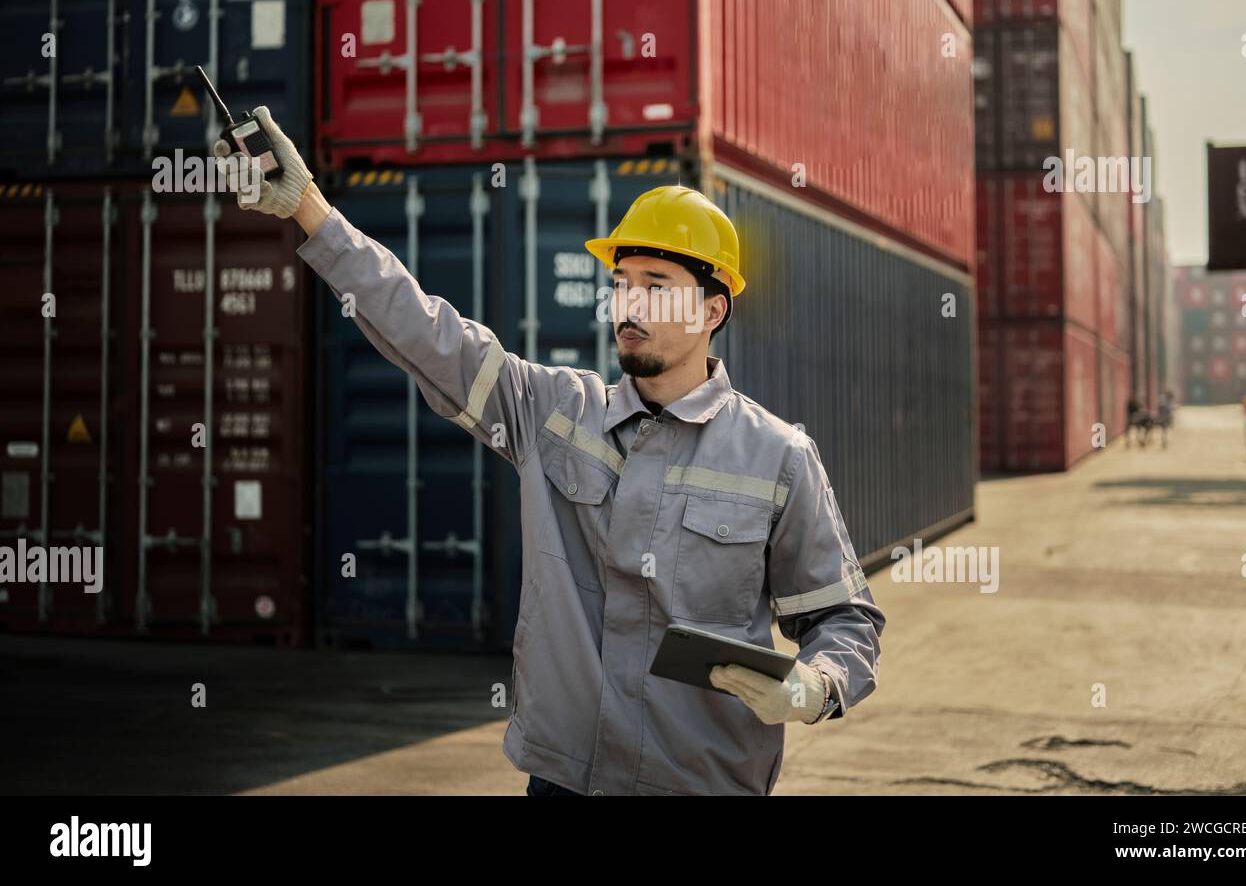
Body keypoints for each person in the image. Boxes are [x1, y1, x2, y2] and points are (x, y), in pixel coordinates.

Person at [212, 109, 886, 797]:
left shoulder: (778, 457)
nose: (630, 305)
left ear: (713, 311)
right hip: (564, 784)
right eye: (621, 283)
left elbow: (846, 620)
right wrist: (310, 209)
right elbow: (424, 331)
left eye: (656, 285)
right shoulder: (554, 413)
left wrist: (813, 687)